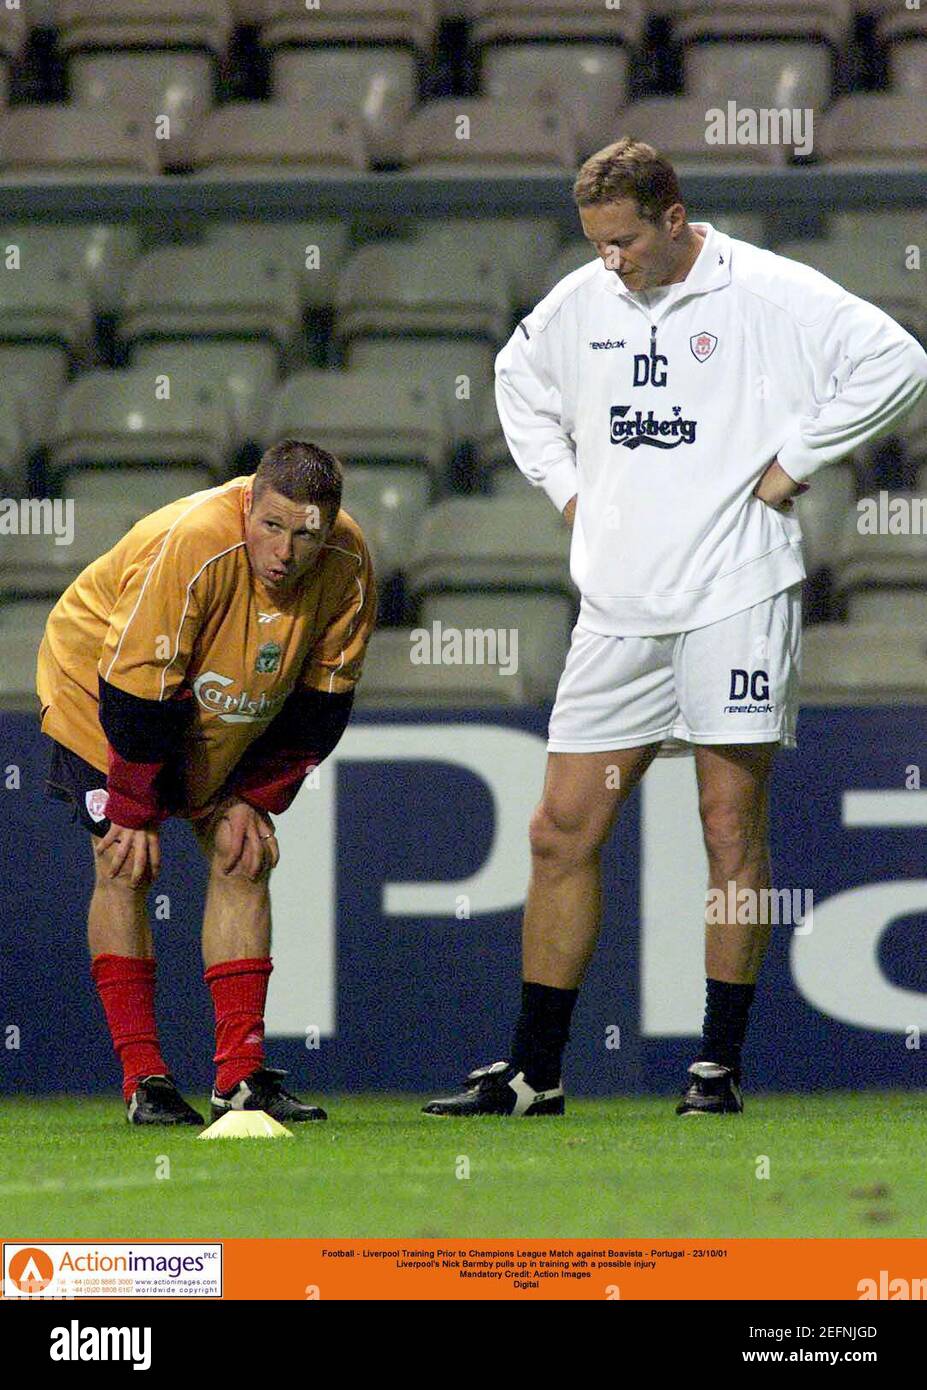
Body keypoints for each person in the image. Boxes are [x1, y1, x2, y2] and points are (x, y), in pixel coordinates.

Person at [424, 137, 927, 1118]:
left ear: (672, 217)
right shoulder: (584, 302)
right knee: (559, 828)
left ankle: (716, 1067)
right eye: (597, 244)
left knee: (727, 824)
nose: (611, 261)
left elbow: (900, 361)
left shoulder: (769, 293)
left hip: (736, 595)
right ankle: (536, 1070)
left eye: (623, 241)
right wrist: (571, 493)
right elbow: (516, 382)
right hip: (618, 608)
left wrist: (800, 457)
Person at [37, 439, 376, 1125]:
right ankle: (145, 1081)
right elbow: (136, 693)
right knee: (125, 865)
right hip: (98, 686)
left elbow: (321, 704)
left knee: (242, 855)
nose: (283, 551)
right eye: (272, 525)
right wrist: (132, 807)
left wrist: (255, 796)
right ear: (248, 502)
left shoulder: (349, 563)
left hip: (211, 694)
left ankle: (240, 1079)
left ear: (330, 524)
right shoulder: (195, 542)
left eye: (304, 533)